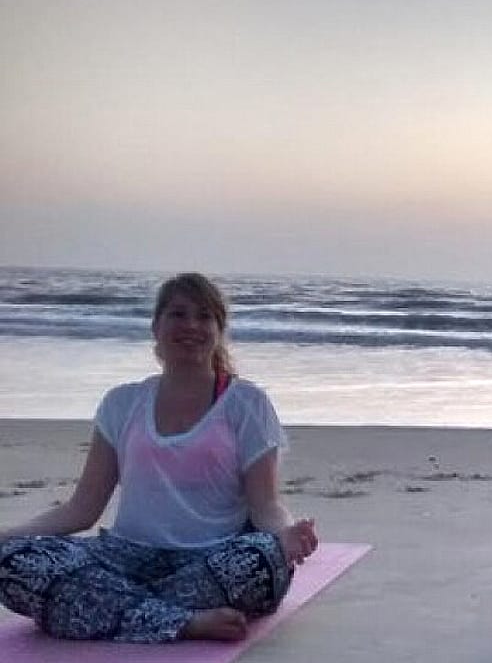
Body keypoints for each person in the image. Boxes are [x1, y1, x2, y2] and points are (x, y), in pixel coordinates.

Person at [0, 273, 317, 642]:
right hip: (124, 560)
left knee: (262, 559)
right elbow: (82, 508)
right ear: (156, 326)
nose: (191, 326)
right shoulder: (121, 403)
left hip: (211, 561)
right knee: (16, 563)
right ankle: (184, 621)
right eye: (178, 314)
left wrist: (287, 536)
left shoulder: (247, 403)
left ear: (219, 329)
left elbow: (265, 505)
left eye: (204, 316)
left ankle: (109, 610)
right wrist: (7, 536)